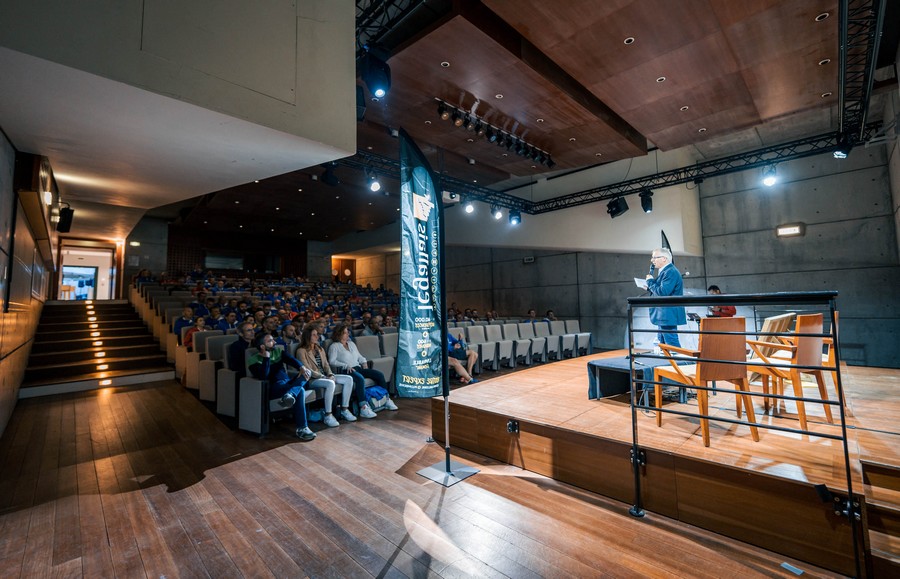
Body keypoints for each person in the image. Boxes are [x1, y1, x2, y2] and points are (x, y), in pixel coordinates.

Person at [247, 332, 316, 441]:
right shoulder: (253, 360)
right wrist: (266, 359)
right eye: (270, 341)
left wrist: (301, 367)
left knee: (307, 373)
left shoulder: (278, 351)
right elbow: (263, 376)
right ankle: (302, 428)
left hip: (287, 383)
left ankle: (290, 394)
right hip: (274, 388)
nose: (274, 342)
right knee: (301, 390)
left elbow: (291, 360)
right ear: (262, 346)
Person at [327, 323, 397, 418]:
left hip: (358, 368)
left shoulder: (351, 344)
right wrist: (345, 366)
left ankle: (386, 399)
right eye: (345, 333)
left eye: (348, 332)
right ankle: (363, 407)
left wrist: (364, 362)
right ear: (339, 334)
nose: (348, 334)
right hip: (346, 371)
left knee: (379, 374)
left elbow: (359, 356)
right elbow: (332, 361)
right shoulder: (334, 346)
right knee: (360, 379)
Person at [295, 324, 355, 427]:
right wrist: (324, 377)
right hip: (312, 379)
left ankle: (344, 409)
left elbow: (326, 365)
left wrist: (330, 374)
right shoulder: (301, 351)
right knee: (331, 383)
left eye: (317, 334)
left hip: (325, 377)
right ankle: (328, 415)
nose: (317, 337)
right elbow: (307, 370)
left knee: (348, 379)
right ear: (307, 336)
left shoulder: (320, 349)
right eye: (314, 335)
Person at [645, 247, 686, 347]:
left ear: (664, 258)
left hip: (668, 313)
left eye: (654, 257)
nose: (652, 260)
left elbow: (663, 292)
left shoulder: (670, 271)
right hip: (663, 313)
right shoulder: (666, 271)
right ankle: (670, 362)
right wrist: (649, 287)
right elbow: (661, 289)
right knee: (662, 343)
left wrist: (650, 282)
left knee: (671, 343)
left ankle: (679, 362)